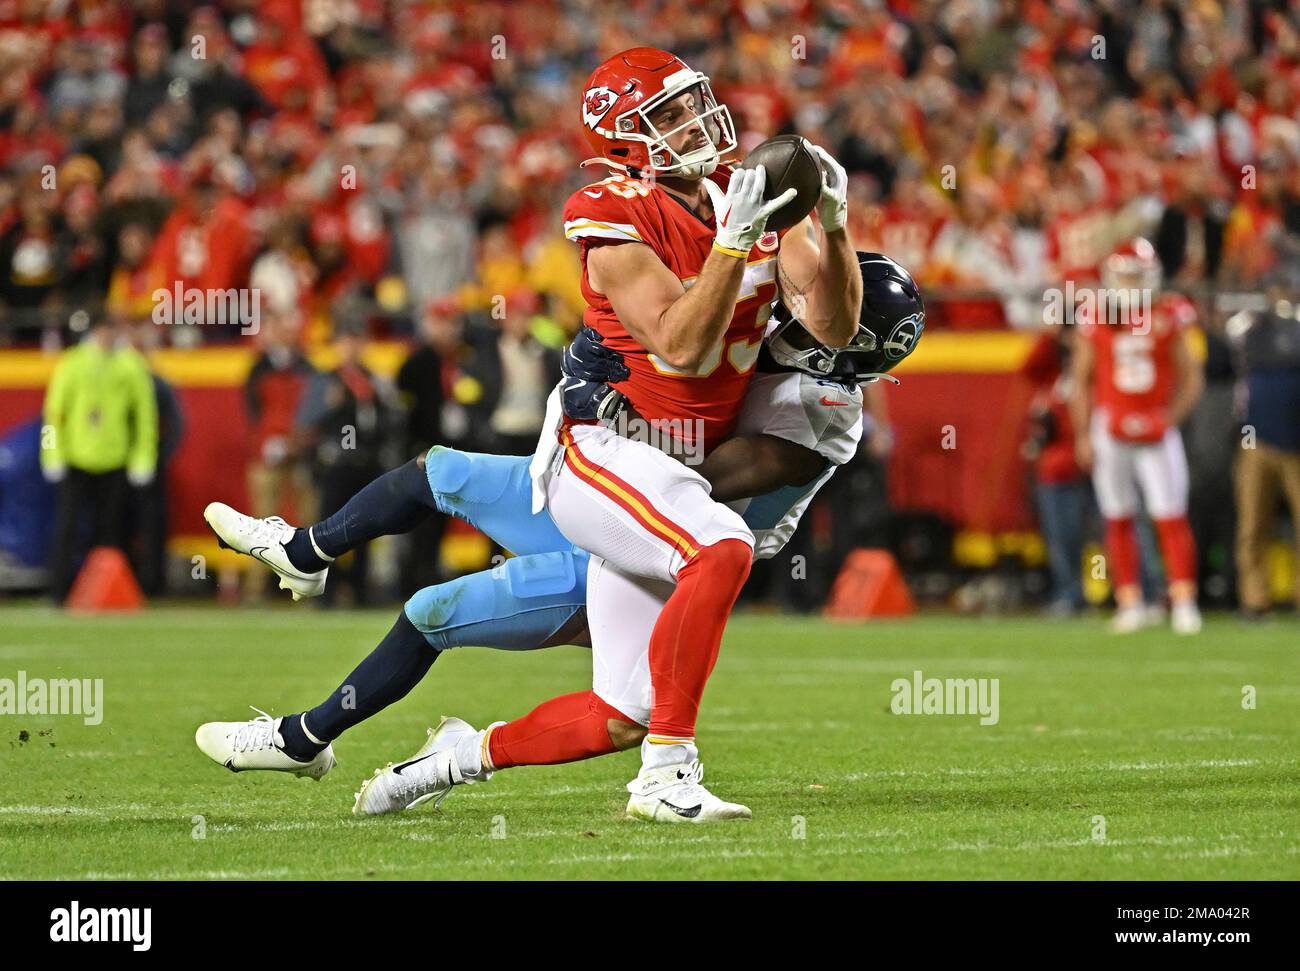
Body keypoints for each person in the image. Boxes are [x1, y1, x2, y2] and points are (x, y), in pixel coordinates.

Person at [194, 254, 922, 824]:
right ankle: (305, 552)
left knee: (439, 615)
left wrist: (612, 409)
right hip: (611, 488)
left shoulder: (825, 409)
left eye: (828, 315)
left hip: (654, 552)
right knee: (436, 472)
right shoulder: (771, 333)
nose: (810, 309)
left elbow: (711, 469)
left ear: (841, 356)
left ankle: (401, 752)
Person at [1069, 238, 1205, 635]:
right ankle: (1129, 601)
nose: (1129, 285)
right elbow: (1080, 380)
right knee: (1117, 515)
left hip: (1156, 428)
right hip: (1110, 426)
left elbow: (1191, 377)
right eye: (1124, 276)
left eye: (1136, 276)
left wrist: (1169, 418)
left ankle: (1183, 600)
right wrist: (1082, 434)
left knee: (1170, 515)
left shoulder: (1170, 312)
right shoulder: (1095, 315)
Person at [40, 313, 158, 600]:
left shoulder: (130, 364)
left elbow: (145, 416)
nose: (106, 337)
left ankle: (111, 593)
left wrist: (143, 457)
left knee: (111, 531)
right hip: (76, 458)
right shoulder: (73, 362)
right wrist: (52, 453)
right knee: (66, 529)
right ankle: (58, 592)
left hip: (115, 458)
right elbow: (53, 413)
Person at [1230, 297, 1300, 618]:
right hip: (1255, 441)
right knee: (1252, 525)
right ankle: (1255, 601)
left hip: (1295, 444)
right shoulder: (1252, 334)